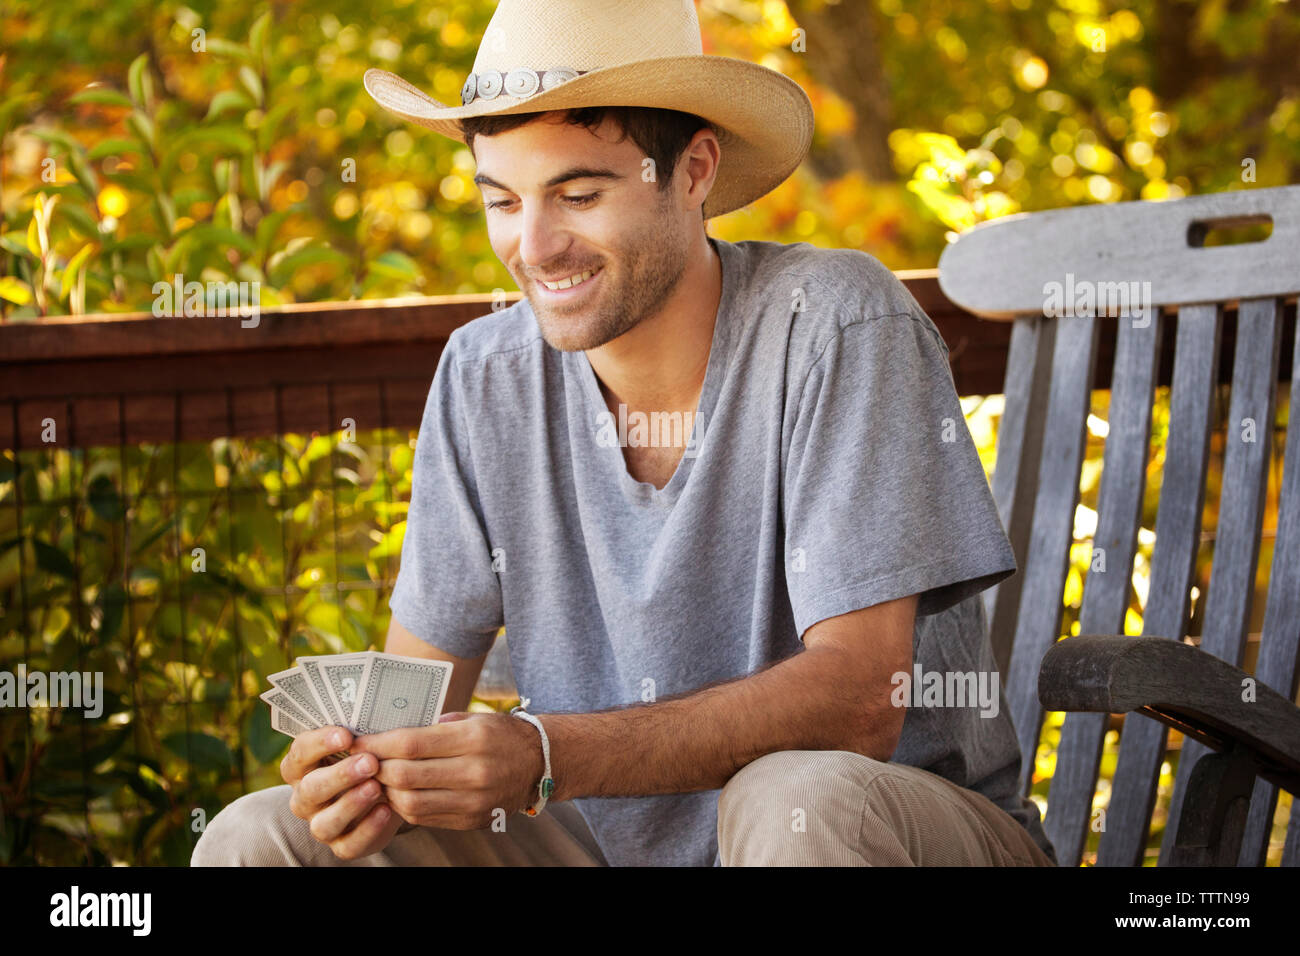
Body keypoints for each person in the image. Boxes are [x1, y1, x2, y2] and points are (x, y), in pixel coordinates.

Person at [193, 0, 1057, 867]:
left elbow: (863, 701)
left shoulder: (835, 322)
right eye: (502, 201)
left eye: (578, 194)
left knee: (794, 794)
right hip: (602, 850)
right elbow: (410, 710)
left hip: (884, 837)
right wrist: (359, 776)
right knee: (260, 837)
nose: (534, 247)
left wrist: (544, 754)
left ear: (694, 172)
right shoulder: (482, 375)